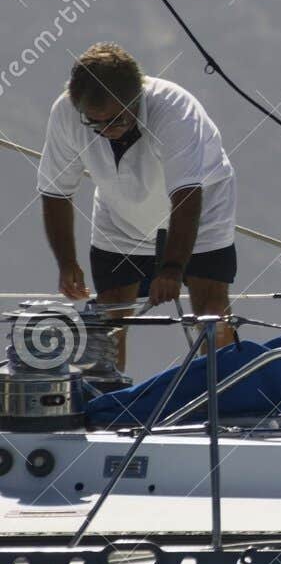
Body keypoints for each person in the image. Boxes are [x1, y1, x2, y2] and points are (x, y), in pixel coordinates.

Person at [37, 43, 238, 366]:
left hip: (201, 211)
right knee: (110, 315)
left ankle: (223, 393)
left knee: (209, 310)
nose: (106, 131)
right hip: (120, 215)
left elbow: (186, 195)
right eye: (95, 123)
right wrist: (66, 262)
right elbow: (55, 191)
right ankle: (110, 406)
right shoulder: (66, 113)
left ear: (137, 98)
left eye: (116, 121)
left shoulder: (174, 110)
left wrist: (172, 269)